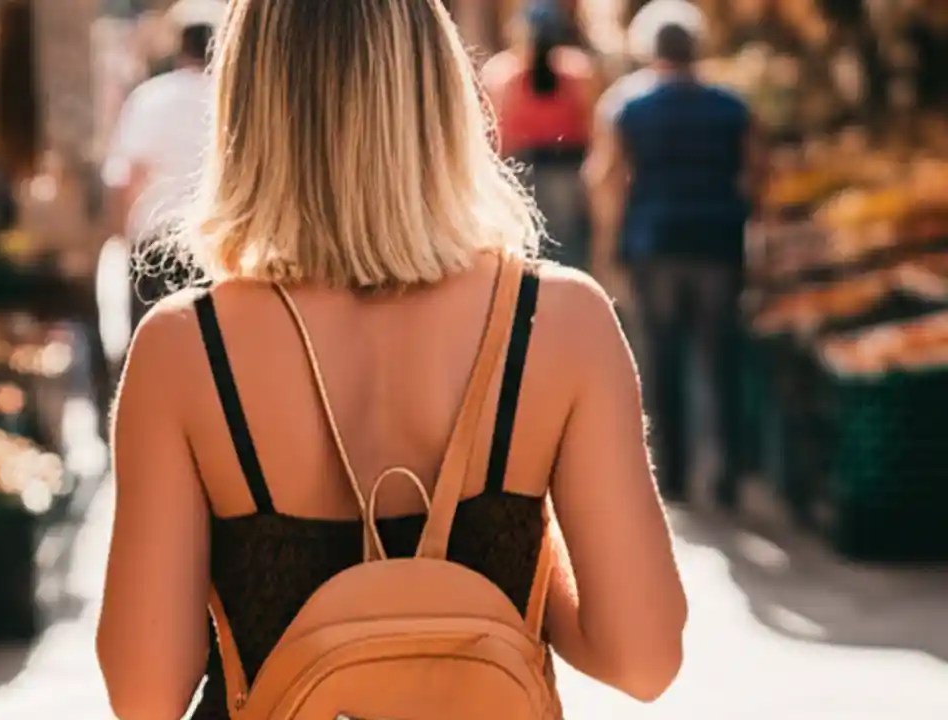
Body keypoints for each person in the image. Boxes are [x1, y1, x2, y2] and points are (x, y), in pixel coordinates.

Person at [98, 1, 686, 718]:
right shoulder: (559, 322)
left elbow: (144, 698)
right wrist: (507, 543)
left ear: (249, 110)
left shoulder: (185, 346)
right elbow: (643, 659)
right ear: (442, 98)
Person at [583, 0, 764, 509]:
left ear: (649, 48)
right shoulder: (731, 104)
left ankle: (675, 477)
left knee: (662, 357)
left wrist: (605, 249)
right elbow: (756, 172)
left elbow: (607, 181)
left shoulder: (626, 106)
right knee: (721, 356)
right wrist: (757, 227)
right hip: (718, 242)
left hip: (655, 243)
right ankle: (727, 474)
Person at [101, 0, 223, 329]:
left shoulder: (151, 97)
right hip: (216, 249)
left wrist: (120, 238)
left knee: (151, 346)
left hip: (156, 251)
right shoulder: (229, 100)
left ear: (180, 45)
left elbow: (127, 177)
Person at [483, 2, 598, 269]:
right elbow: (590, 125)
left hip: (522, 171)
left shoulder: (502, 73)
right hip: (567, 170)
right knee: (568, 246)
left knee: (527, 245)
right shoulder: (579, 70)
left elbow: (498, 132)